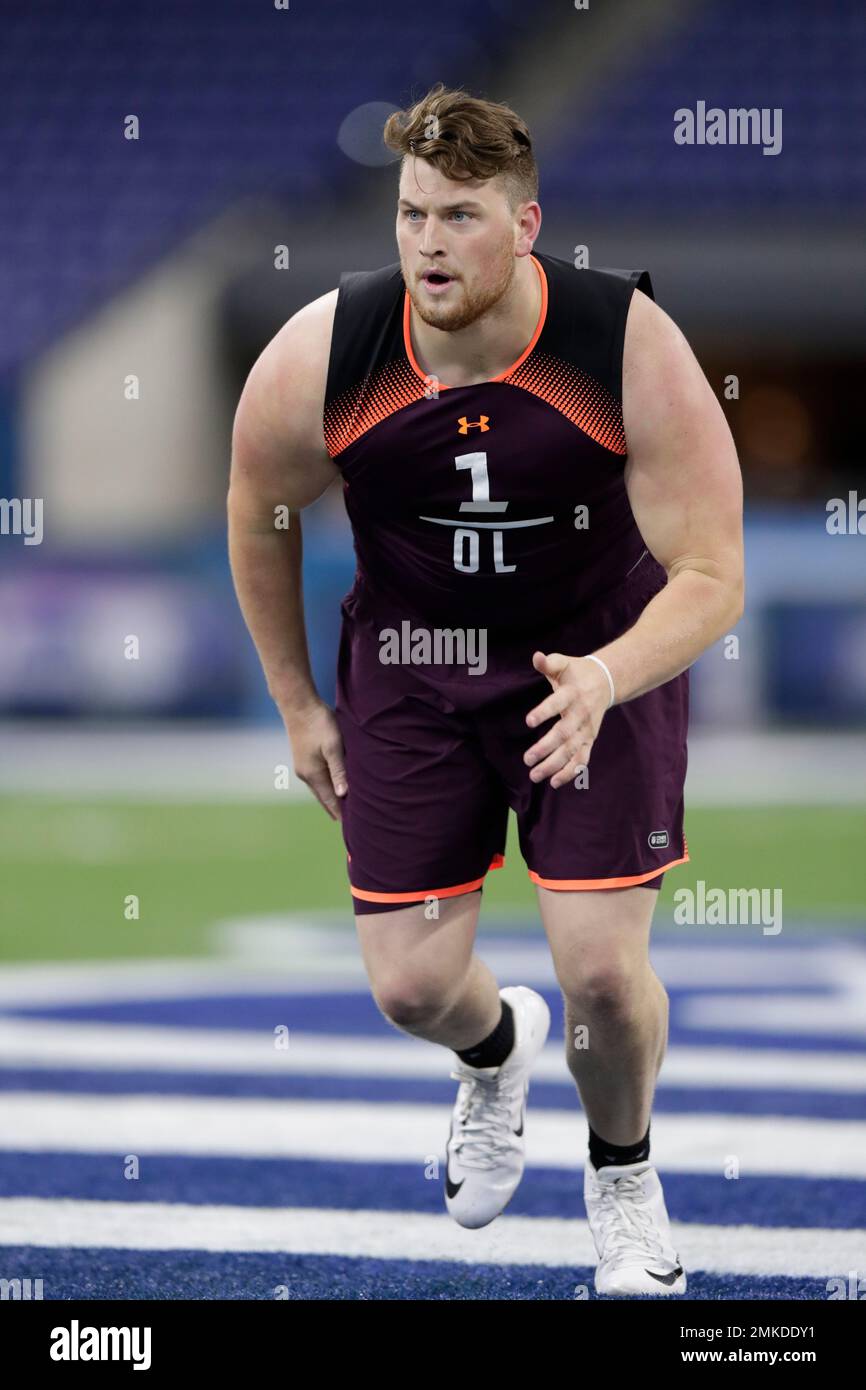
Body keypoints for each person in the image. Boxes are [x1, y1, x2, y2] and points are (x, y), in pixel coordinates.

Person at [227, 83, 744, 1296]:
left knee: (604, 974)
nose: (426, 243)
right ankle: (496, 1048)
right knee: (409, 987)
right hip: (410, 661)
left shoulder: (620, 343)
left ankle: (620, 1177)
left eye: (458, 216)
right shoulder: (326, 350)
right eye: (411, 213)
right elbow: (259, 517)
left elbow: (712, 572)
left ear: (524, 225)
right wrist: (298, 703)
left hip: (588, 659)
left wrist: (607, 680)